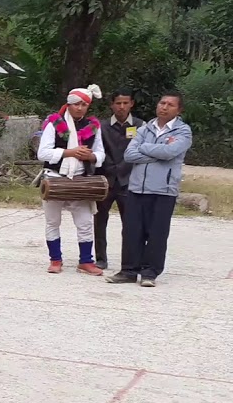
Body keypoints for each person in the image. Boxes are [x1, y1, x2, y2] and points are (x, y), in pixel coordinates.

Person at [107, 92, 192, 287]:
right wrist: (157, 151)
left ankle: (150, 272)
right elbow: (129, 154)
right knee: (131, 230)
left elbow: (171, 152)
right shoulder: (145, 128)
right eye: (162, 102)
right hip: (137, 188)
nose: (164, 107)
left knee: (157, 232)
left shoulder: (183, 131)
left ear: (179, 110)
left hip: (163, 190)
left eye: (170, 105)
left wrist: (146, 148)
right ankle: (129, 270)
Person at [37, 85, 107, 275]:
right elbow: (42, 153)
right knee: (53, 222)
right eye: (76, 103)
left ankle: (85, 261)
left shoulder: (93, 126)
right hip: (55, 178)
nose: (80, 107)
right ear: (69, 104)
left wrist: (90, 157)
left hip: (80, 179)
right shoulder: (54, 123)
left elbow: (101, 153)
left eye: (84, 104)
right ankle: (55, 260)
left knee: (85, 222)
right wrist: (70, 152)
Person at [93, 89, 145, 270]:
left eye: (125, 103)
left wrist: (124, 169)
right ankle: (100, 258)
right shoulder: (102, 126)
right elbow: (99, 150)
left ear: (131, 104)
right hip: (105, 180)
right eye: (118, 103)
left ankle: (130, 261)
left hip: (129, 181)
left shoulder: (140, 126)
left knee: (130, 224)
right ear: (111, 105)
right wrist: (109, 169)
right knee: (99, 221)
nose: (121, 107)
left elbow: (141, 151)